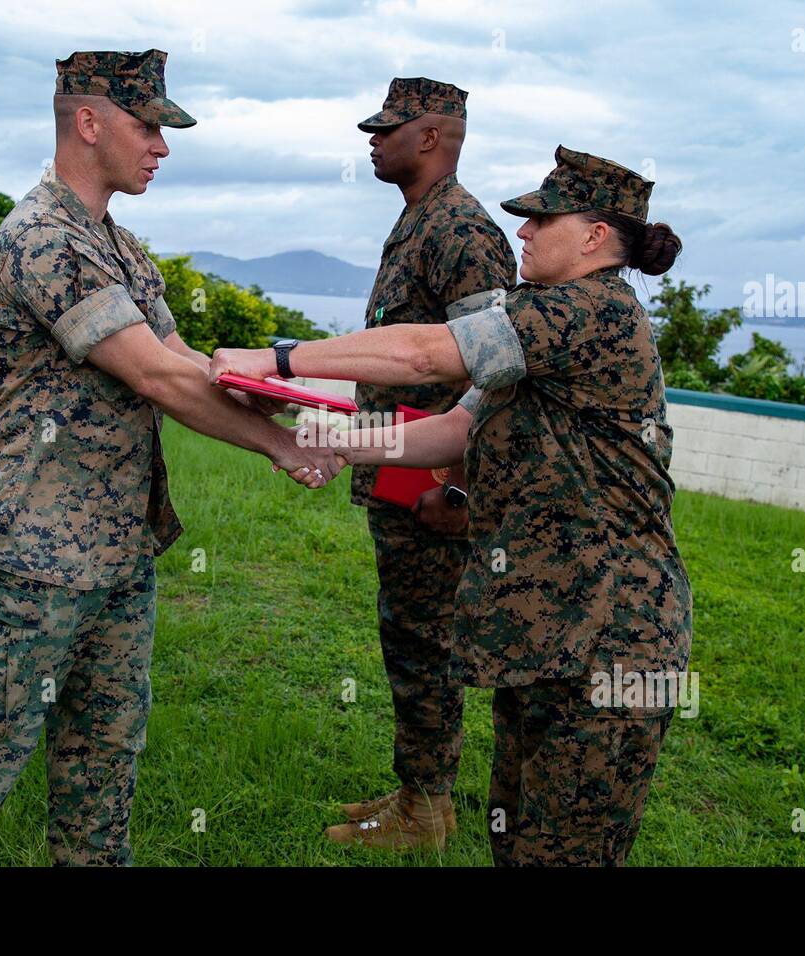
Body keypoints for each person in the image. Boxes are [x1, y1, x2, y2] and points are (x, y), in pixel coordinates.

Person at [0, 49, 340, 866]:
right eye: (149, 126)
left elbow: (184, 359)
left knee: (103, 771)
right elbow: (155, 372)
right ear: (88, 122)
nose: (163, 146)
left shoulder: (120, 247)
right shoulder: (41, 238)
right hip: (29, 561)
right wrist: (280, 441)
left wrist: (285, 396)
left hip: (117, 556)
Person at [211, 146, 693, 866]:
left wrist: (278, 359)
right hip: (549, 634)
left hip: (611, 639)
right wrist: (317, 435)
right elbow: (450, 430)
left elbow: (423, 358)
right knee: (517, 840)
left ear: (595, 237)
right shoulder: (538, 327)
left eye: (542, 219)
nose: (522, 233)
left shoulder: (594, 313)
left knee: (566, 853)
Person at [317, 77, 516, 850]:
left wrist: (458, 485)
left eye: (387, 127)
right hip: (402, 471)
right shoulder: (420, 222)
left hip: (432, 482)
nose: (372, 138)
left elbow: (498, 372)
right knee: (409, 635)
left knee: (425, 642)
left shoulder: (463, 231)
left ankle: (426, 811)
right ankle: (419, 790)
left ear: (431, 136)